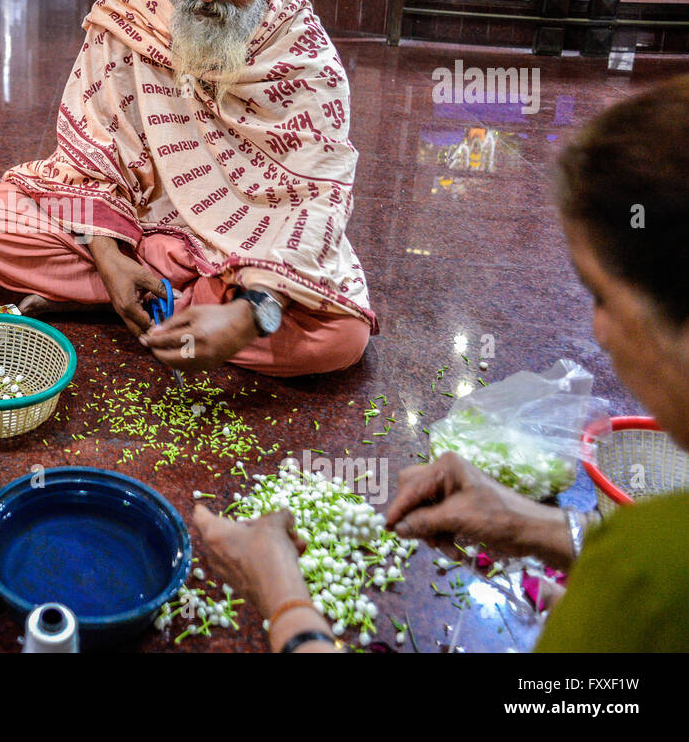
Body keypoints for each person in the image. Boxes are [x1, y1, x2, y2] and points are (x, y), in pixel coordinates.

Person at [194, 74, 689, 652]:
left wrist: (285, 599)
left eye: (602, 295)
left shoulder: (647, 574)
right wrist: (532, 526)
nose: (598, 330)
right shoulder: (647, 552)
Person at [0, 0, 374, 377]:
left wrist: (249, 314)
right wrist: (109, 255)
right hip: (136, 223)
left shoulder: (305, 57)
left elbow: (313, 202)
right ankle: (157, 298)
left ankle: (170, 308)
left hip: (244, 245)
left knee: (338, 338)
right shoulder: (132, 14)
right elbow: (93, 154)